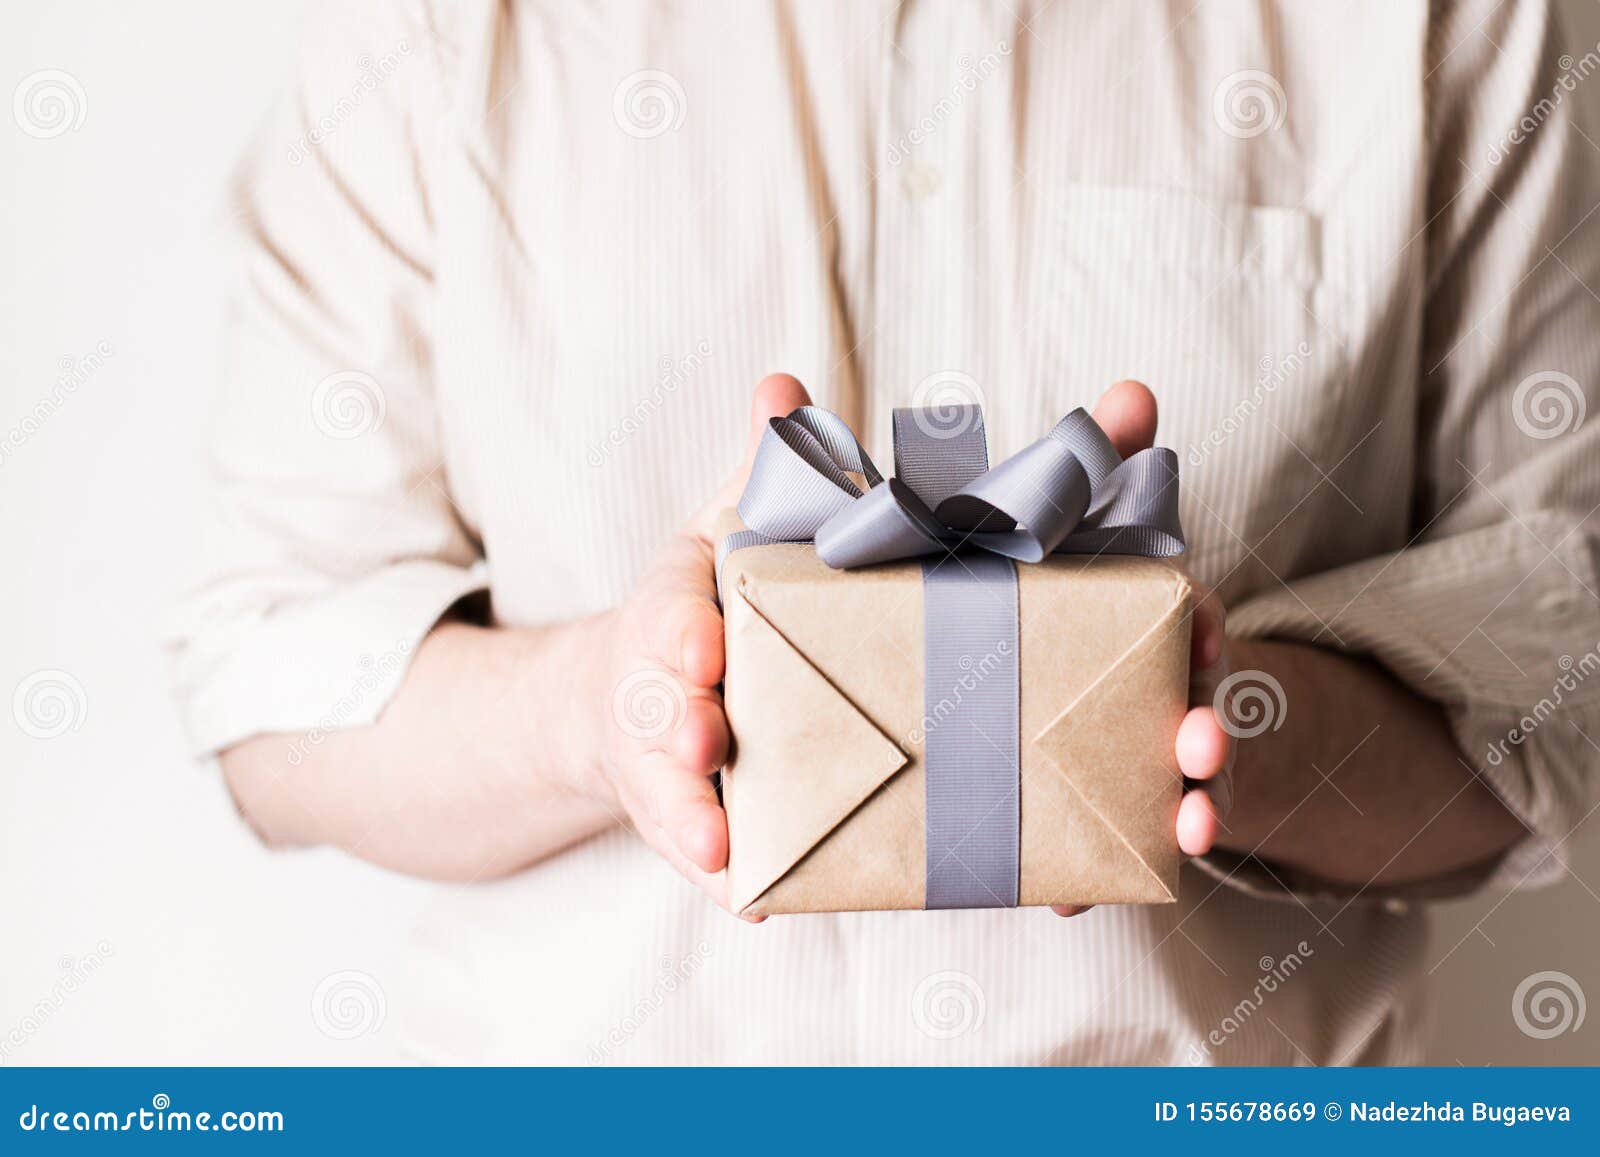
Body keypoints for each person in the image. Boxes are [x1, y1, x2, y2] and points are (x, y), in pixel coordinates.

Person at [168, 0, 1600, 1063]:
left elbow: (1565, 705)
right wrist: (604, 713)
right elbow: (272, 682)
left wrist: (1217, 730)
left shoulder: (1450, 25)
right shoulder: (432, 34)